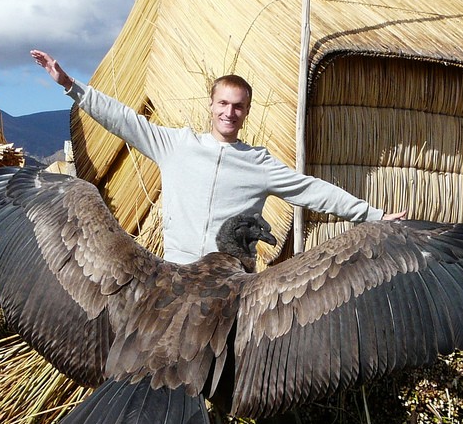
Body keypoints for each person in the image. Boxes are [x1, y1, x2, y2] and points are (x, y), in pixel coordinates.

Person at [30, 50, 406, 265]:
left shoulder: (259, 164)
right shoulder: (175, 145)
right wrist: (70, 86)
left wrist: (373, 216)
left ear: (247, 112)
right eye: (223, 103)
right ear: (211, 105)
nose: (229, 112)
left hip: (232, 275)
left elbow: (312, 191)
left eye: (238, 106)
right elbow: (125, 121)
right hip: (179, 269)